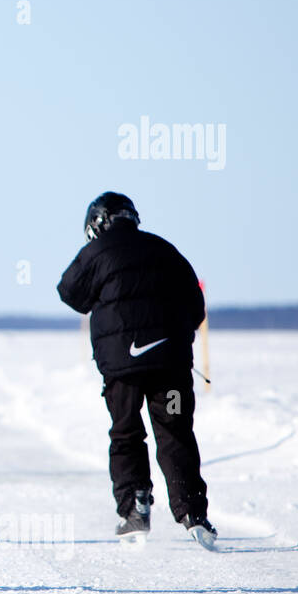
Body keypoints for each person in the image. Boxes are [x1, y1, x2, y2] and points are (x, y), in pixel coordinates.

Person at [56, 192, 217, 548]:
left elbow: (69, 292)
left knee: (127, 433)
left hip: (122, 369)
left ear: (97, 224)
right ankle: (193, 512)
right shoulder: (165, 249)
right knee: (176, 432)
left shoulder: (97, 252)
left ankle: (135, 508)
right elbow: (196, 305)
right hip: (172, 367)